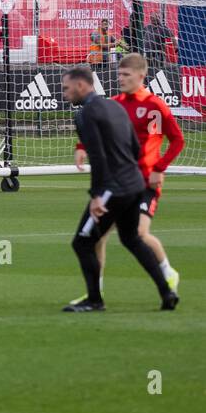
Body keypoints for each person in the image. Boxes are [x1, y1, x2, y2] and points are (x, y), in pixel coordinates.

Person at [61, 65, 177, 312]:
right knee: (132, 238)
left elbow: (99, 157)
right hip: (136, 182)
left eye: (67, 88)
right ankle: (167, 292)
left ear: (81, 85)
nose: (64, 93)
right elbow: (135, 147)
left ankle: (94, 300)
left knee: (82, 243)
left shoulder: (85, 115)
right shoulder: (115, 106)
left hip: (114, 188)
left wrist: (96, 196)